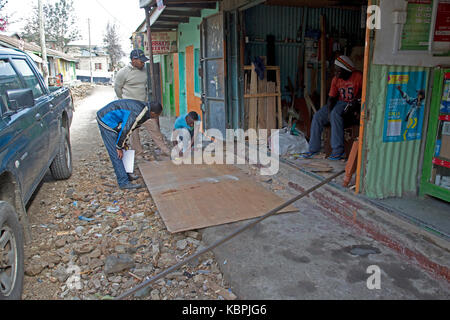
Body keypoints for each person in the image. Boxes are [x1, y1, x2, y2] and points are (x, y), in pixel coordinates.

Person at [301, 56, 363, 160]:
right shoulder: (336, 79)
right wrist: (328, 113)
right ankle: (313, 149)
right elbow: (331, 98)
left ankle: (338, 151)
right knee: (318, 116)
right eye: (335, 71)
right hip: (340, 102)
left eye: (338, 71)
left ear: (346, 70)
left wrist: (357, 104)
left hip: (352, 104)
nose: (336, 73)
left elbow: (364, 92)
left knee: (335, 114)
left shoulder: (358, 76)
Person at [114, 49, 169, 159]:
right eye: (141, 61)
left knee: (153, 127)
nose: (143, 63)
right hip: (130, 108)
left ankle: (165, 150)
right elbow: (117, 89)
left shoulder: (144, 70)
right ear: (133, 60)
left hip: (144, 106)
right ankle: (138, 153)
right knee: (133, 132)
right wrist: (125, 101)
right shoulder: (123, 73)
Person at [96, 99, 163, 190]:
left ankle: (126, 175)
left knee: (123, 148)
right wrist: (119, 146)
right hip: (106, 121)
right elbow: (126, 129)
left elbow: (128, 129)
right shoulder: (138, 113)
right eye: (156, 116)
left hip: (114, 120)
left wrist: (123, 144)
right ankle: (123, 182)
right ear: (153, 113)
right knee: (116, 154)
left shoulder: (144, 110)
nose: (155, 118)